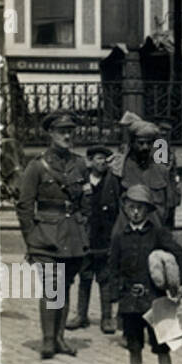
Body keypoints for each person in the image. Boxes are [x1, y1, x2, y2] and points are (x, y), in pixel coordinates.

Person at [108, 184, 182, 364]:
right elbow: (113, 268)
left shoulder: (157, 234)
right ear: (125, 208)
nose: (136, 212)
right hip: (130, 302)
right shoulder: (120, 237)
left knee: (163, 345)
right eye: (131, 207)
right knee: (134, 345)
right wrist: (116, 295)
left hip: (156, 300)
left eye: (140, 208)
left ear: (148, 210)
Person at [16, 111, 89, 359]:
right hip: (45, 235)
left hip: (72, 234)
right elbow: (25, 205)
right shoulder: (37, 166)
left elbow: (85, 201)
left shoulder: (80, 164)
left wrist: (84, 230)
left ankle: (60, 337)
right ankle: (47, 339)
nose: (67, 136)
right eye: (62, 131)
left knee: (65, 286)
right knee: (51, 287)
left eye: (70, 131)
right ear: (51, 134)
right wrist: (32, 239)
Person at [67, 143, 120, 333]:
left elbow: (119, 209)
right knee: (85, 276)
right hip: (86, 236)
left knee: (105, 278)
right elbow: (73, 205)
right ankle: (81, 315)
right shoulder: (81, 181)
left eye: (105, 159)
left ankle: (107, 318)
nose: (103, 162)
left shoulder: (113, 181)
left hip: (105, 237)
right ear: (90, 161)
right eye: (98, 158)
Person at [118, 121, 181, 230]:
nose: (145, 147)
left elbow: (170, 205)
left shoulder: (162, 170)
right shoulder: (120, 169)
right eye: (141, 143)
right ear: (132, 143)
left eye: (149, 143)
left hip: (155, 232)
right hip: (127, 234)